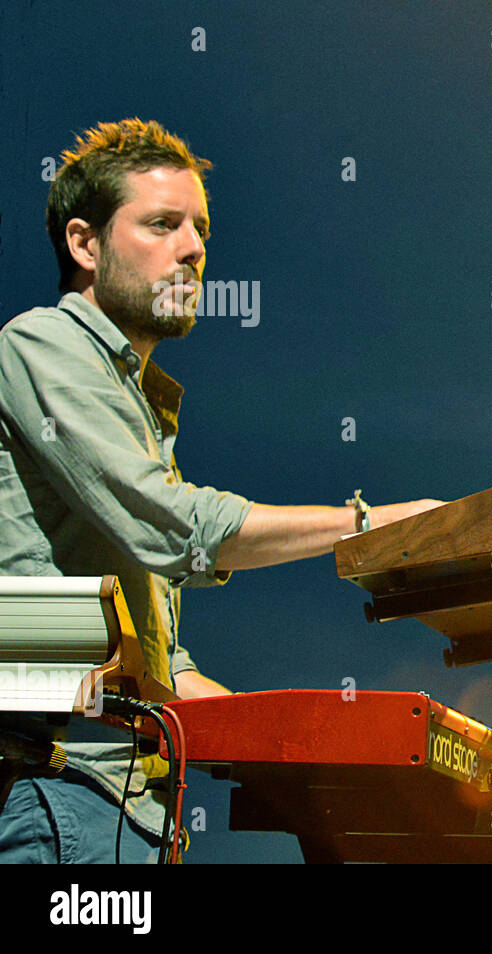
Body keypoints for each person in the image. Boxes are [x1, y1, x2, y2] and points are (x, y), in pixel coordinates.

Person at [0, 118, 439, 862]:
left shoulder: (136, 402)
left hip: (120, 813)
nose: (195, 249)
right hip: (60, 795)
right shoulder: (41, 343)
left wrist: (330, 742)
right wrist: (376, 525)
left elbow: (165, 672)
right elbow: (170, 526)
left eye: (199, 228)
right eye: (162, 224)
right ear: (84, 244)